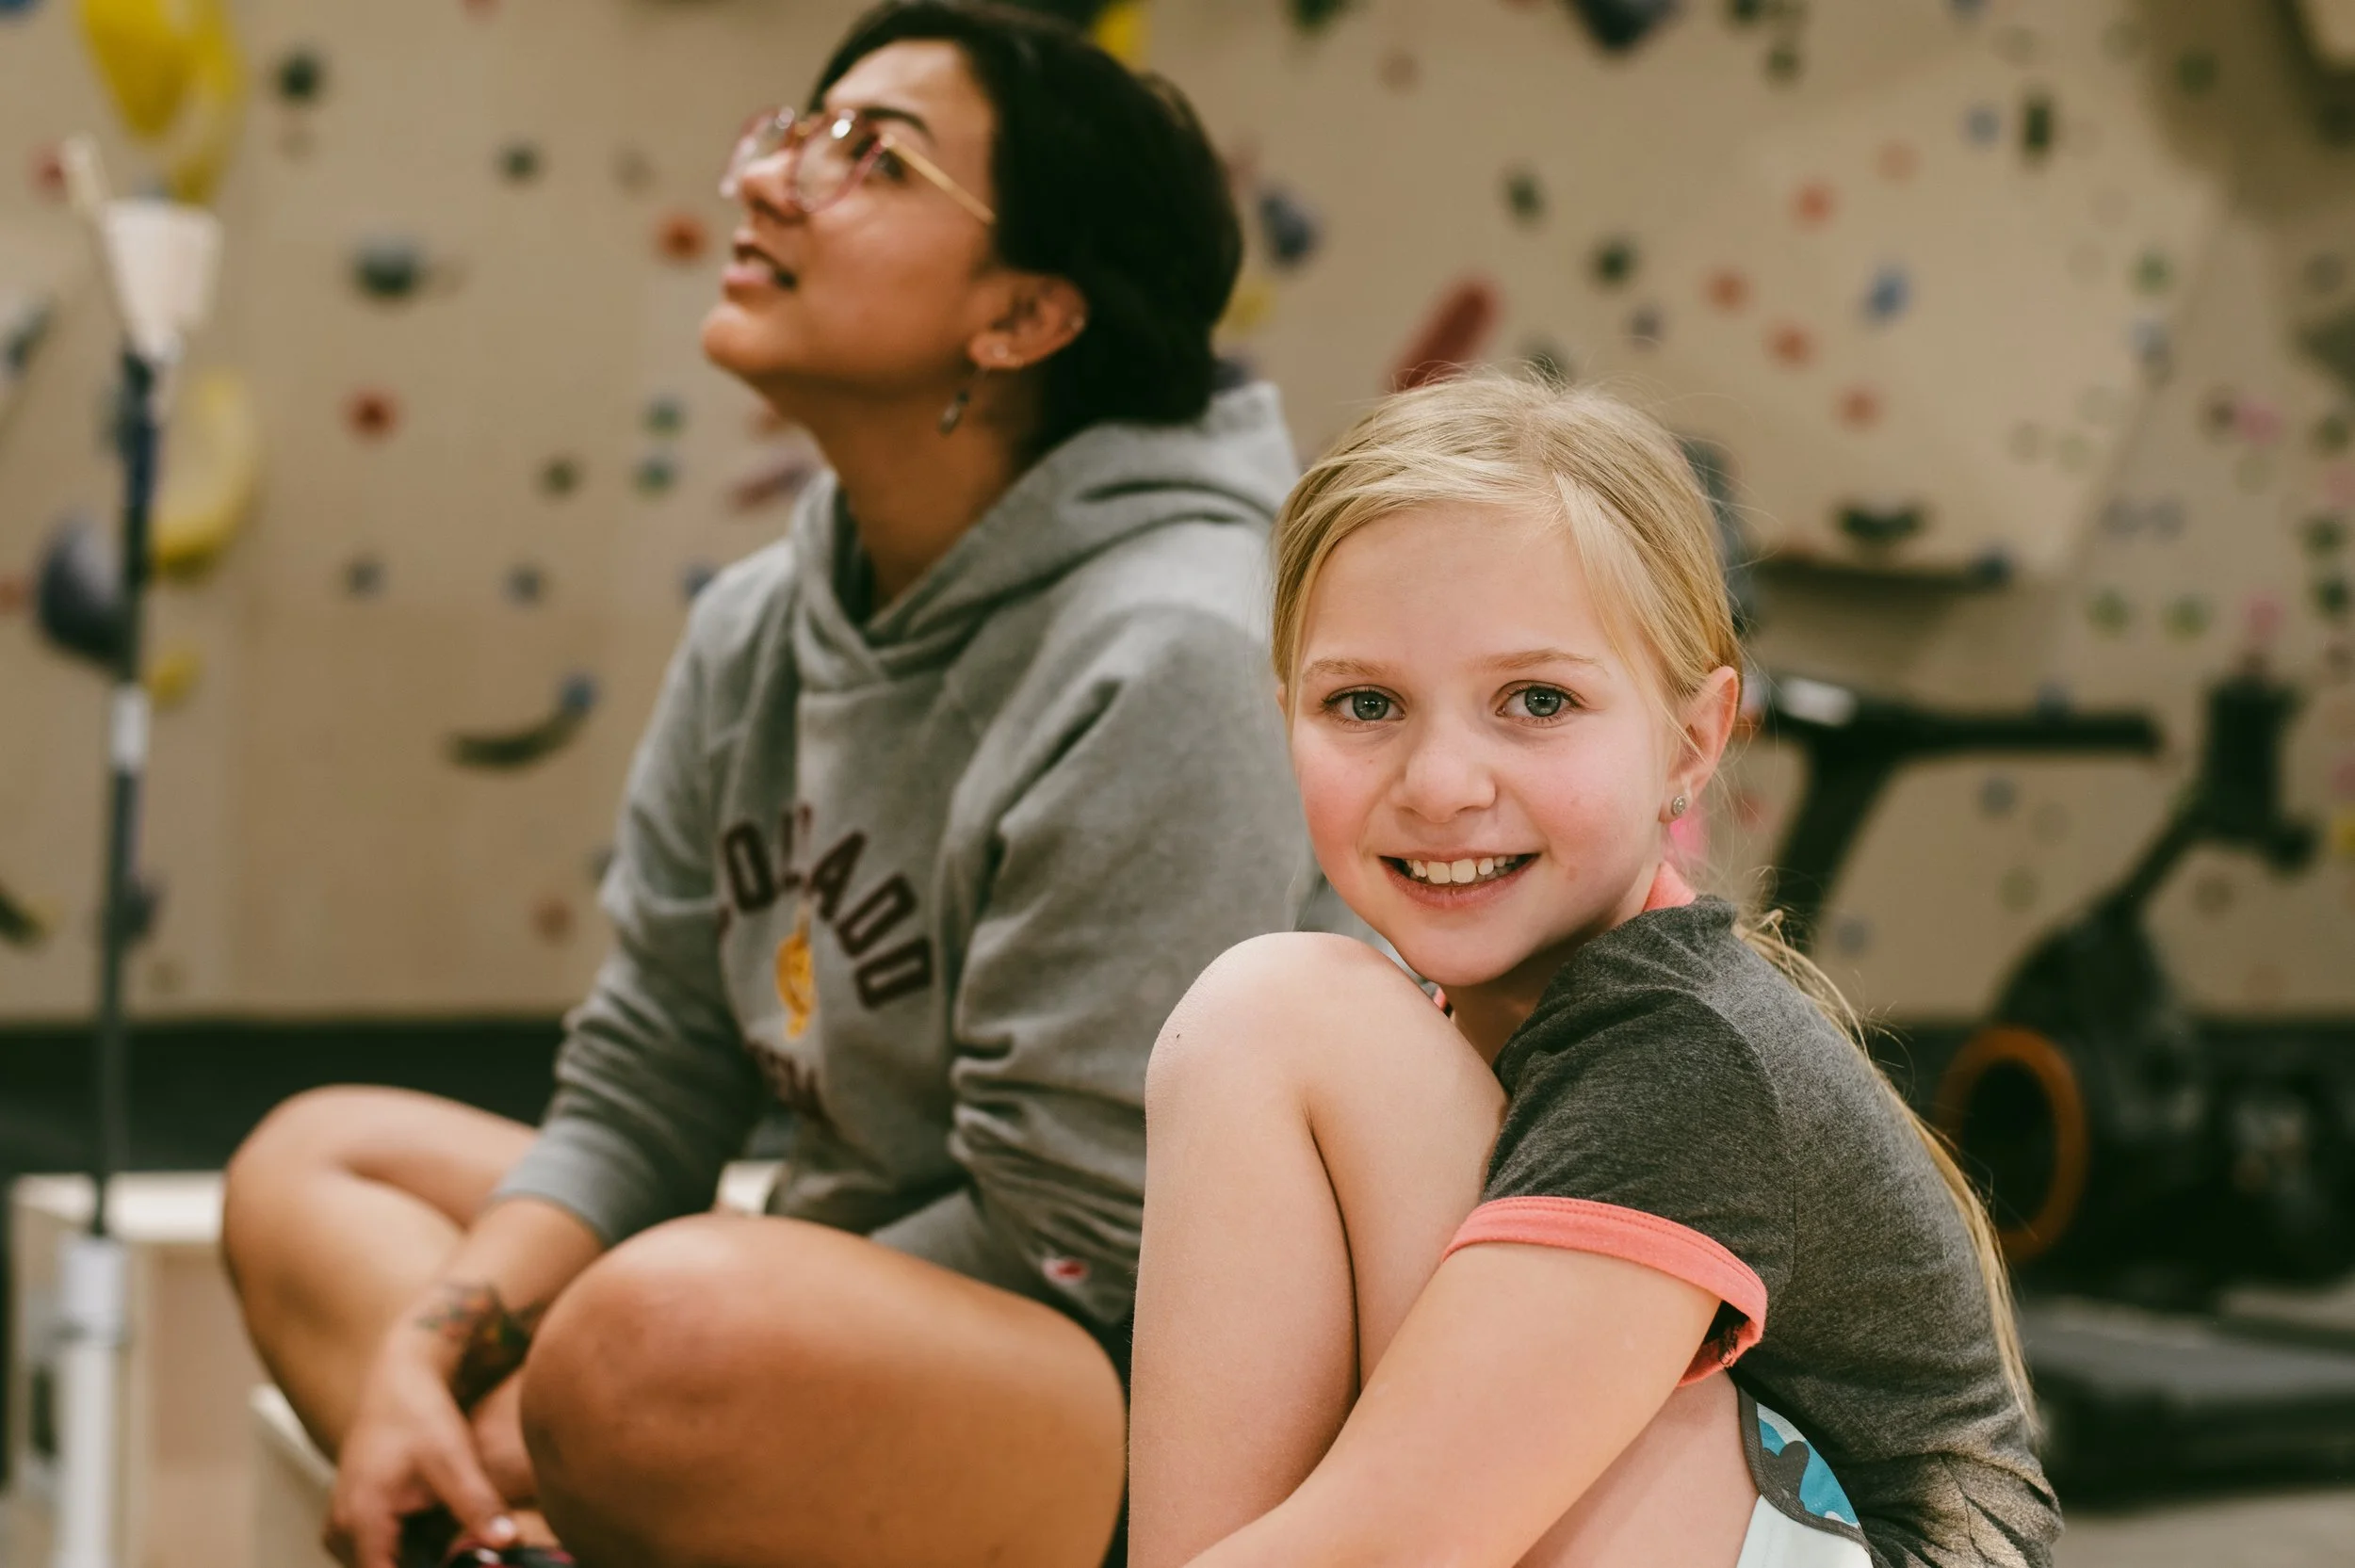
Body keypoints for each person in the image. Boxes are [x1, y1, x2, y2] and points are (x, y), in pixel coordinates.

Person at [221, 7, 1321, 1567]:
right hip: (819, 1297)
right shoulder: (762, 623)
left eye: (872, 159)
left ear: (1022, 317)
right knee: (311, 1164)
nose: (771, 184)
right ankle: (518, 1505)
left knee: (653, 1340)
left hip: (1130, 1396)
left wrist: (578, 1366)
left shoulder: (1175, 651)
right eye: (797, 132)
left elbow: (1076, 1240)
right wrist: (432, 1344)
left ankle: (515, 1481)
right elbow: (649, 1081)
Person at [1128, 374, 2062, 1568]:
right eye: (1365, 703)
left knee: (1277, 1015)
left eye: (1535, 700)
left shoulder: (1683, 1052)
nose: (1440, 783)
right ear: (1286, 720)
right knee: (1286, 1023)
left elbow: (1377, 1549)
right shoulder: (1425, 1040)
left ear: (1692, 739)